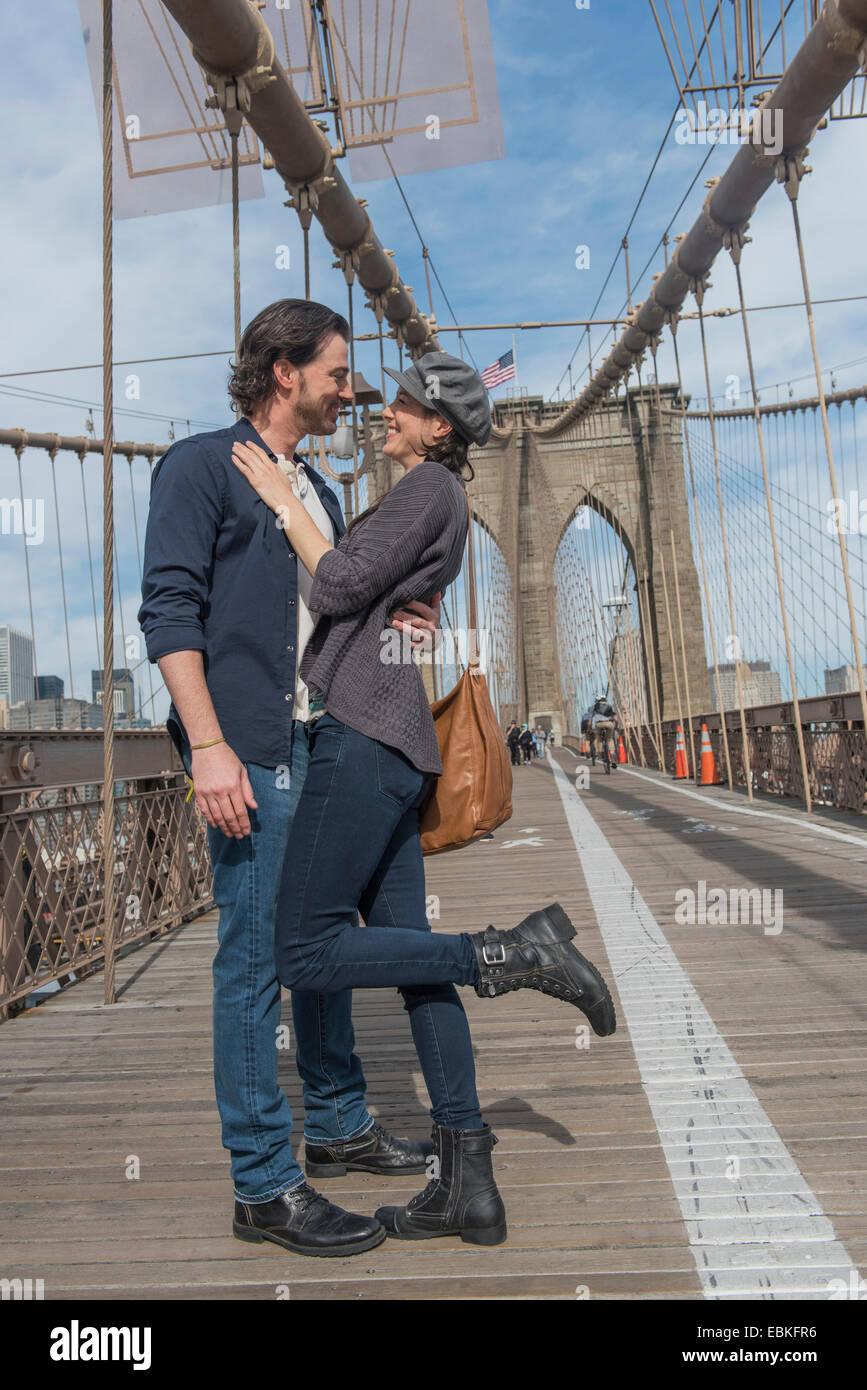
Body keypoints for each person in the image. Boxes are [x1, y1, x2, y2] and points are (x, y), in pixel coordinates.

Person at [230, 350, 617, 1250]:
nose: (388, 412)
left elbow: (332, 584)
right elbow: (372, 599)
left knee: (303, 949)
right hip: (394, 733)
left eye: (403, 403)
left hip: (362, 738)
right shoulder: (433, 499)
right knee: (413, 966)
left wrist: (283, 499)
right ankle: (466, 1186)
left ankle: (509, 950)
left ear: (440, 426)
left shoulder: (426, 492)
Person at [139, 299, 445, 1260]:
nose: (350, 388)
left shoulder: (316, 487)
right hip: (249, 747)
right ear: (284, 371)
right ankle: (265, 1185)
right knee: (256, 960)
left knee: (315, 942)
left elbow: (336, 606)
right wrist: (210, 747)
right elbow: (170, 615)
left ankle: (341, 1124)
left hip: (327, 742)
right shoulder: (198, 467)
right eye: (338, 370)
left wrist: (407, 619)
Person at [590, 694, 619, 774]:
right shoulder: (609, 706)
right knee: (610, 739)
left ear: (597, 700)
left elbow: (590, 720)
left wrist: (591, 728)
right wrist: (615, 726)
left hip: (599, 724)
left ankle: (602, 753)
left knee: (599, 738)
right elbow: (616, 719)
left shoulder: (594, 707)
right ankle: (612, 756)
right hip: (609, 724)